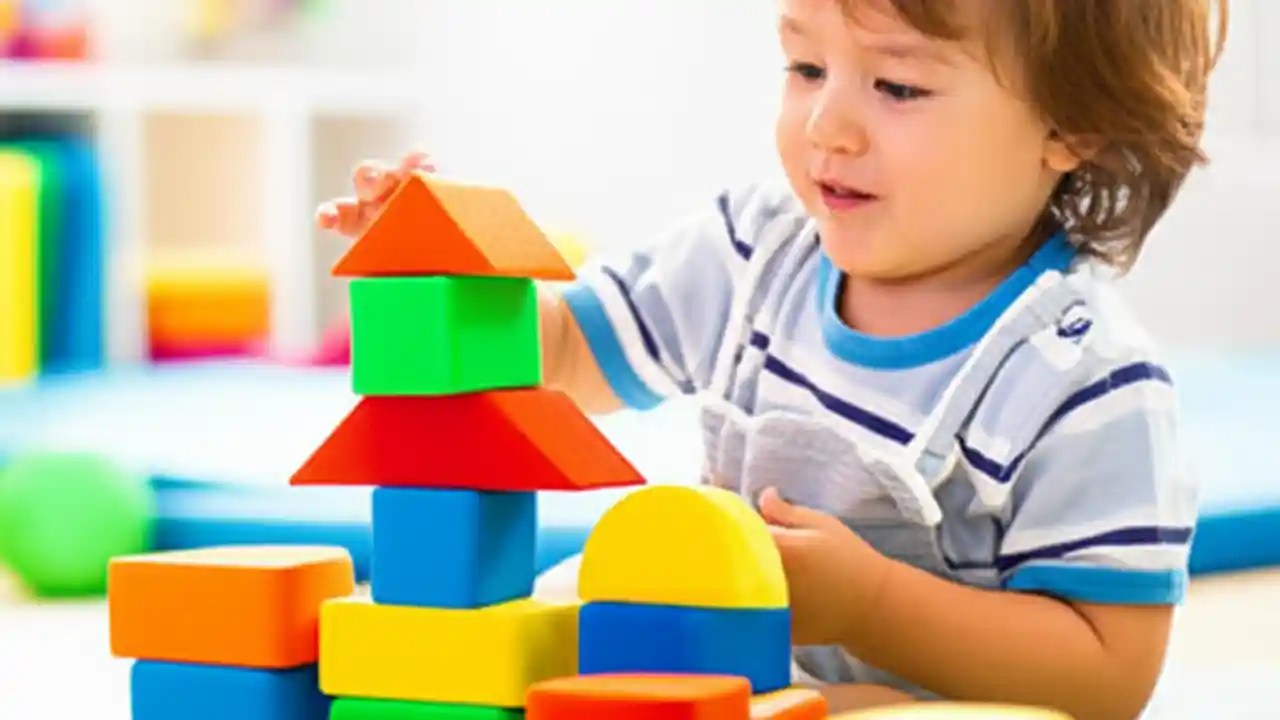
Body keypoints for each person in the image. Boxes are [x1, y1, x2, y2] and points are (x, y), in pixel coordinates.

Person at [317, 1, 1227, 716]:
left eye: (898, 87)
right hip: (721, 673)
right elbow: (562, 351)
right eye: (806, 67)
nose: (829, 125)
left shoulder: (1082, 380)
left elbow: (1107, 676)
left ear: (1070, 127)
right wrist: (439, 272)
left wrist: (872, 605)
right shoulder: (757, 251)